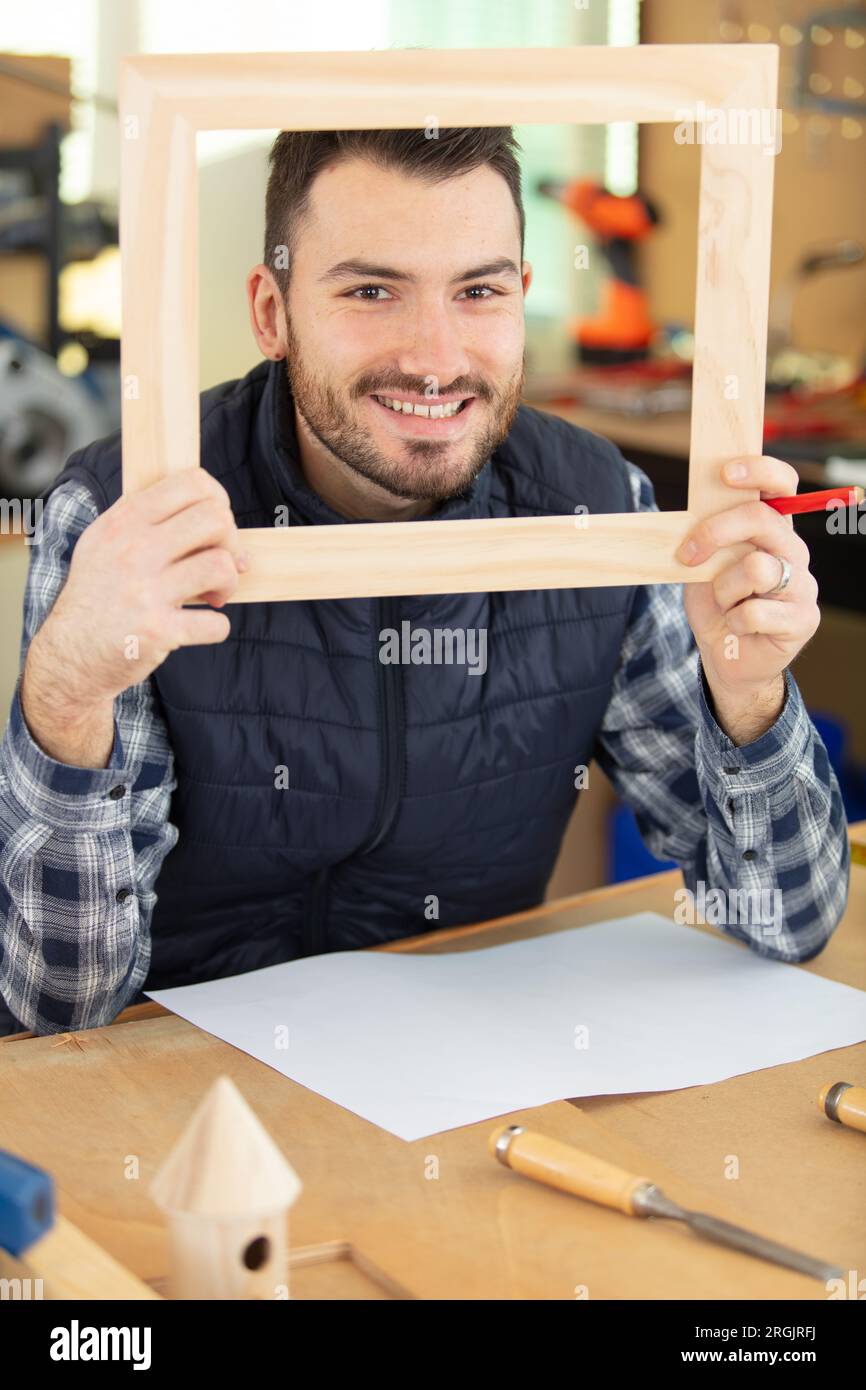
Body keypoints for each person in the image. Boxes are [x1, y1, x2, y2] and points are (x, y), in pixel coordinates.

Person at [0, 128, 848, 1036]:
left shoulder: (600, 512)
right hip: (178, 1089)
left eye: (478, 291)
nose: (436, 358)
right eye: (372, 291)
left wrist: (751, 695)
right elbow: (62, 1011)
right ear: (271, 312)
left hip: (469, 1068)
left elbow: (784, 923)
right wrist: (67, 692)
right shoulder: (120, 518)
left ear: (522, 297)